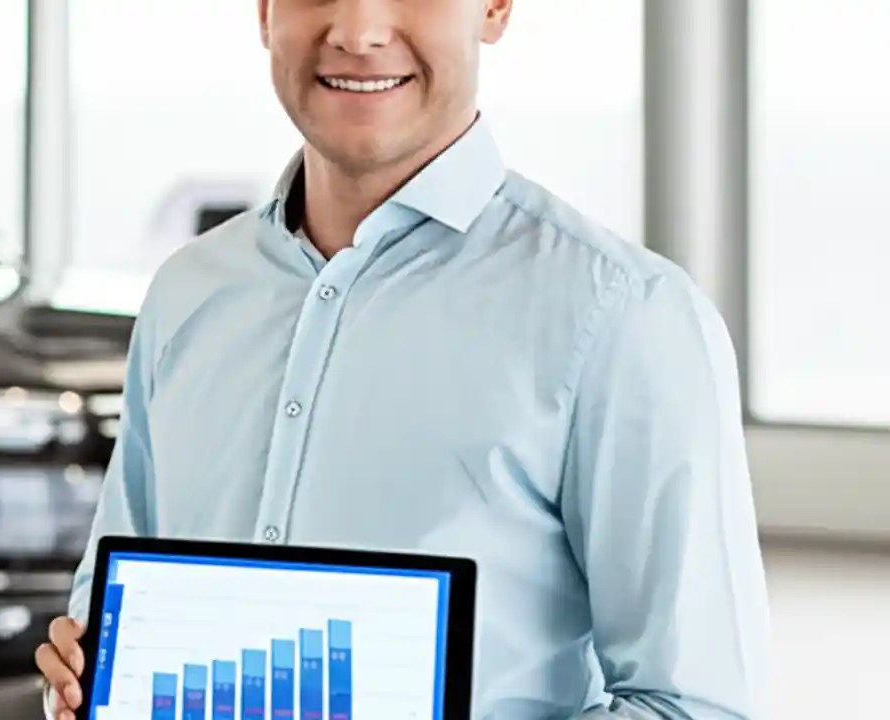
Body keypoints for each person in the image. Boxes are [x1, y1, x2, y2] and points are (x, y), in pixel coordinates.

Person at [37, 0, 771, 717]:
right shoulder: (188, 293)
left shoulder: (624, 316)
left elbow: (694, 707)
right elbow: (109, 615)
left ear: (495, 8)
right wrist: (81, 684)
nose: (358, 31)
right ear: (263, 11)